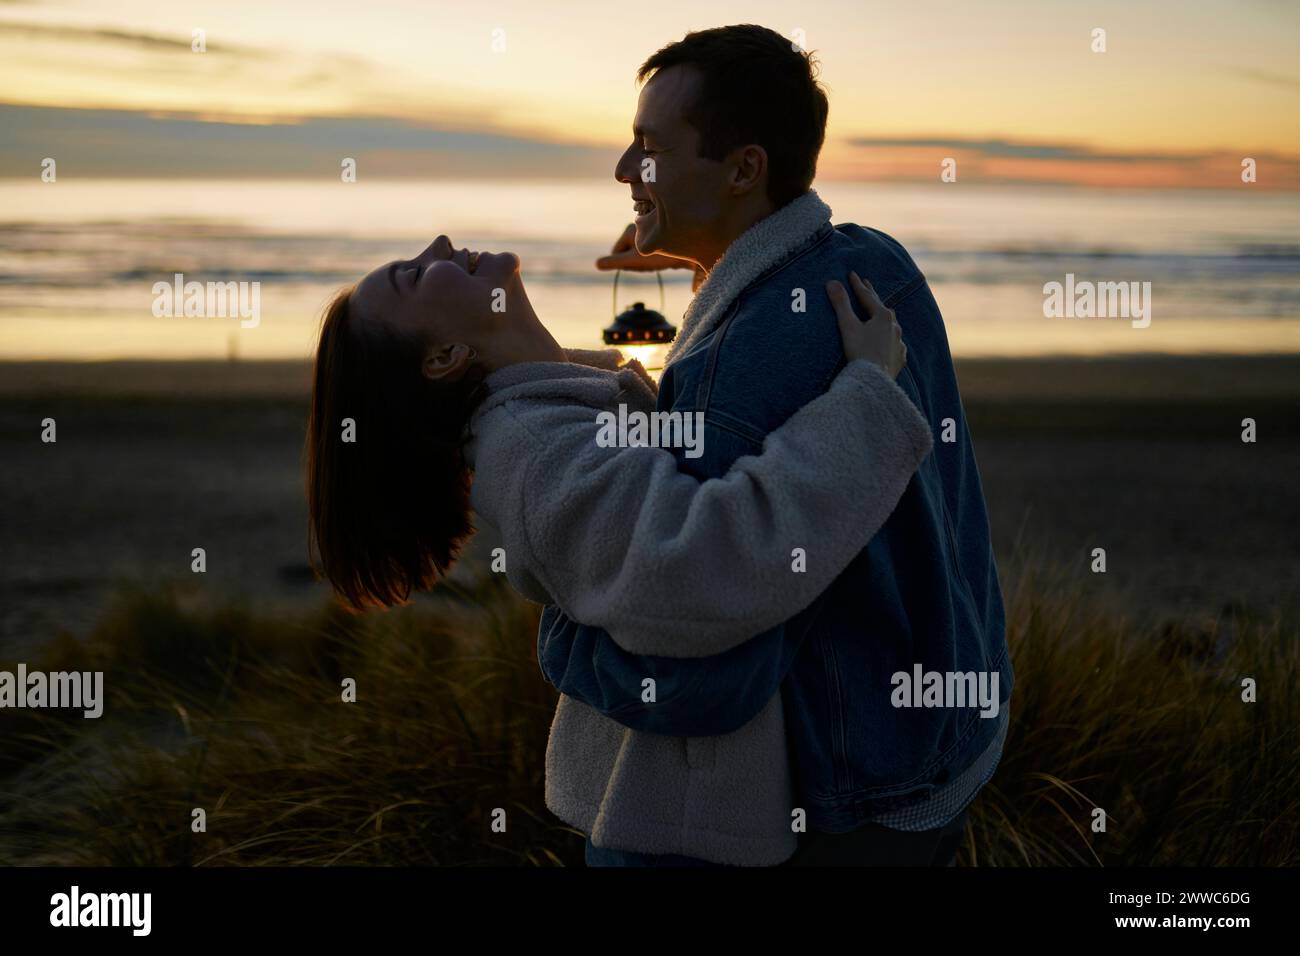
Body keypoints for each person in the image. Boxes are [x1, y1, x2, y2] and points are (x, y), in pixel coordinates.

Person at [538, 23, 1014, 866]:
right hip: (955, 736)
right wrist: (698, 262)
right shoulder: (873, 264)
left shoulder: (736, 361)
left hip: (850, 791)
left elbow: (697, 646)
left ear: (744, 170)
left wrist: (560, 615)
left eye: (649, 149)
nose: (622, 169)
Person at [305, 232, 933, 866]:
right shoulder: (537, 457)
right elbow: (709, 567)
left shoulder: (560, 409)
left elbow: (687, 468)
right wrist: (866, 396)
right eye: (414, 276)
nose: (439, 242)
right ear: (444, 355)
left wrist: (708, 255)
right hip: (679, 841)